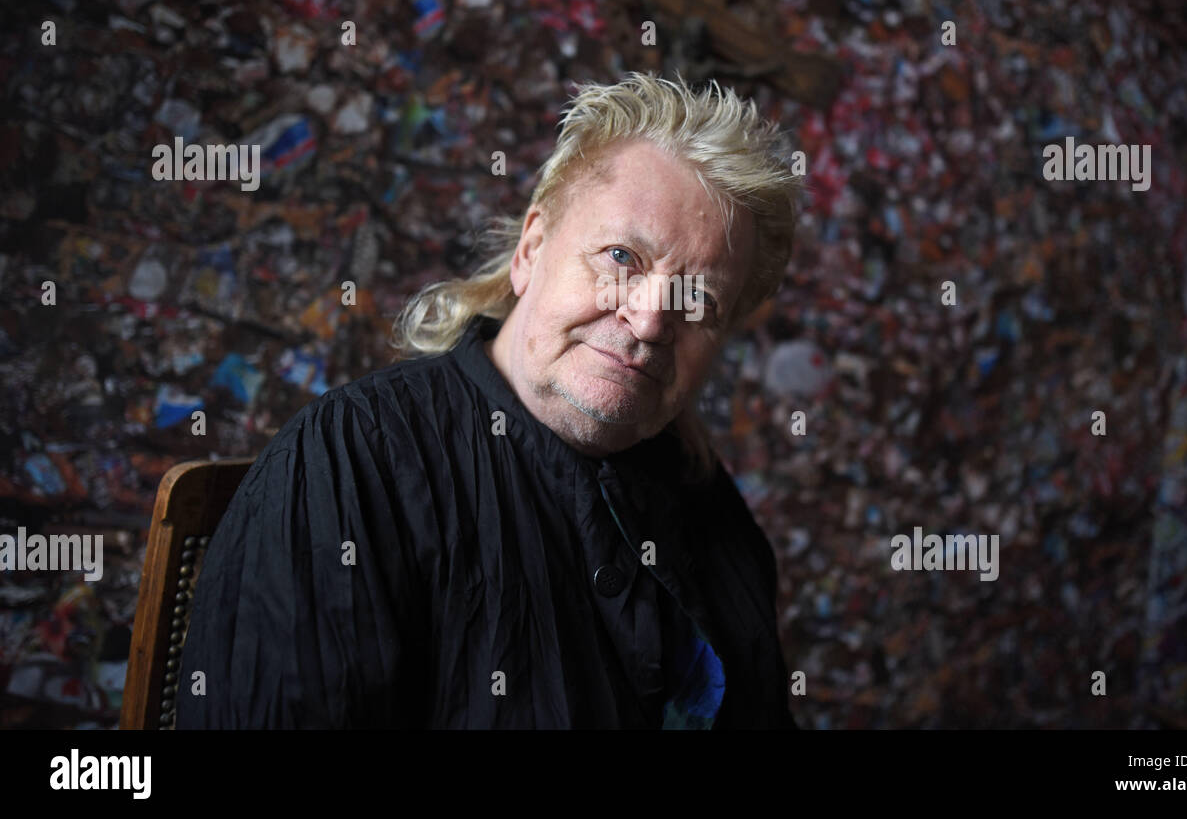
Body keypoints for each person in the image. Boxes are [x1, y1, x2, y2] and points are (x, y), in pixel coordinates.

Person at [177, 73, 801, 728]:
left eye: (696, 301)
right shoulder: (358, 462)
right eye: (621, 255)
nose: (649, 321)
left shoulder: (712, 505)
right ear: (532, 249)